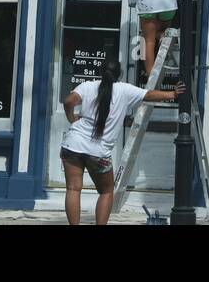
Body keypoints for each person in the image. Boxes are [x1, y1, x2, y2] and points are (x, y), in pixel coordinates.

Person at [61, 59, 184, 225]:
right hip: (99, 152)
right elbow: (148, 95)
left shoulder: (87, 86)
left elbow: (69, 101)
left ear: (101, 72)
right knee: (106, 192)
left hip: (73, 145)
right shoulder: (124, 90)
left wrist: (71, 119)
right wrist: (173, 94)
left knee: (73, 189)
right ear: (119, 74)